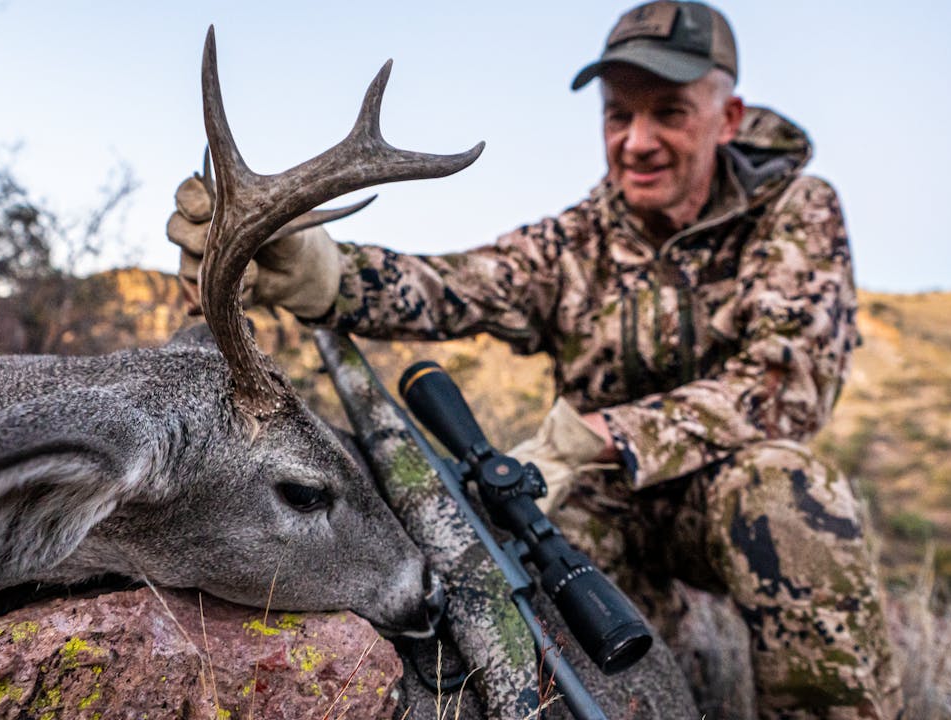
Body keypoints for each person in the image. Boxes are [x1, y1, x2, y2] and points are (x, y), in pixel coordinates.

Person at [168, 2, 902, 716]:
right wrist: (322, 270)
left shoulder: (796, 211)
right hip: (592, 514)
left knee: (789, 492)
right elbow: (461, 287)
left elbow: (784, 384)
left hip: (721, 500)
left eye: (669, 113)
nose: (637, 141)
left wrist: (592, 441)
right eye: (619, 115)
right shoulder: (582, 233)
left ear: (728, 118)